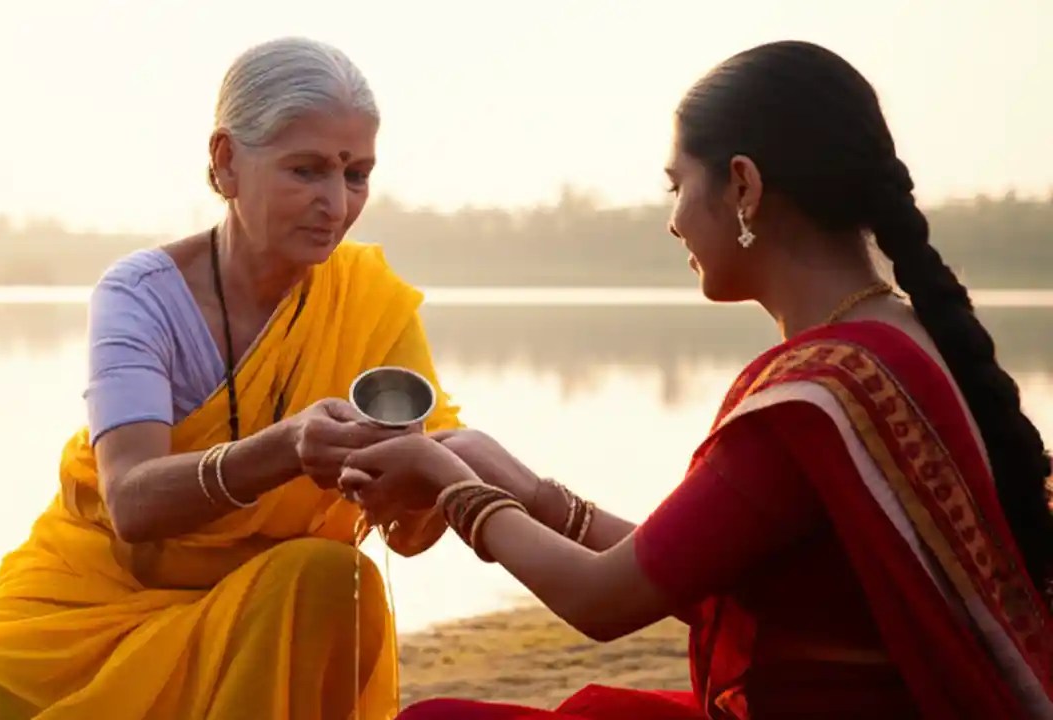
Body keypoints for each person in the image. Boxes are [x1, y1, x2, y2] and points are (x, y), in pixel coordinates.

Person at [340, 41, 1053, 719]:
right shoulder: (901, 338)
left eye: (677, 185)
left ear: (743, 185)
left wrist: (446, 482)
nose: (673, 221)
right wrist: (523, 489)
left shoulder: (814, 399)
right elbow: (696, 566)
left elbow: (603, 602)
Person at [0, 37, 462, 720]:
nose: (335, 204)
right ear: (226, 163)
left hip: (261, 619)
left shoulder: (368, 302)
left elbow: (412, 535)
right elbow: (130, 501)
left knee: (332, 576)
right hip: (92, 603)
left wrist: (411, 486)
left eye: (356, 175)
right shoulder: (143, 296)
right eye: (306, 171)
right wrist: (284, 449)